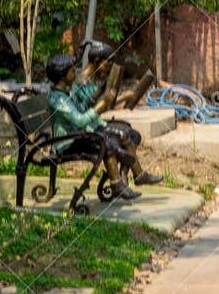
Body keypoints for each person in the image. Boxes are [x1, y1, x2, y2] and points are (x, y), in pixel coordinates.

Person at [45, 54, 161, 202]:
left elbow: (81, 107)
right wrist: (101, 105)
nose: (75, 72)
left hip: (77, 135)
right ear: (62, 76)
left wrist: (101, 91)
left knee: (124, 133)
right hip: (67, 142)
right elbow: (80, 120)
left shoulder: (65, 92)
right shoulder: (58, 99)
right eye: (72, 71)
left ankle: (134, 175)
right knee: (107, 142)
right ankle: (118, 184)